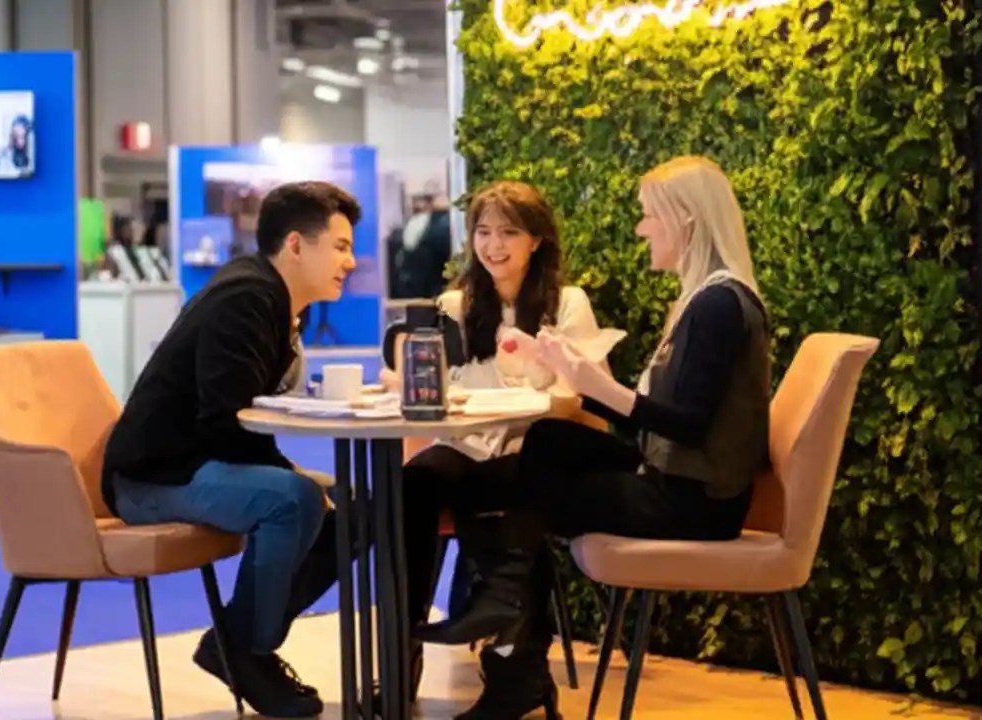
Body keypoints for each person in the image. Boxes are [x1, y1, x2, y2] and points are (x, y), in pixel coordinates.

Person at [419, 156, 773, 717]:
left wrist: (591, 383)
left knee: (528, 486)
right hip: (675, 477)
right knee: (547, 444)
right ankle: (504, 610)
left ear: (683, 220)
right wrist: (567, 371)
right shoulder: (707, 298)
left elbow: (687, 424)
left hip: (693, 502)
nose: (641, 229)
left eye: (648, 217)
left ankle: (504, 610)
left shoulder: (718, 305)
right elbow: (672, 420)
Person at [101, 181, 360, 718]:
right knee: (293, 499)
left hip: (204, 464)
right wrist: (294, 474)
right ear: (295, 244)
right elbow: (225, 422)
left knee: (361, 508)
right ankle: (250, 652)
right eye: (339, 246)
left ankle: (235, 642)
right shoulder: (247, 297)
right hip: (157, 478)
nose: (351, 262)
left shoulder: (282, 304)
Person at [383, 180, 612, 718]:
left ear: (536, 240)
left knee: (511, 490)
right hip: (466, 443)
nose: (493, 245)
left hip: (535, 449)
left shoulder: (567, 304)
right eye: (482, 232)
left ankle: (517, 669)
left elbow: (584, 398)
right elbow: (433, 390)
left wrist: (529, 398)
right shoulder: (454, 304)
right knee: (413, 484)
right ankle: (403, 648)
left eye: (508, 232)